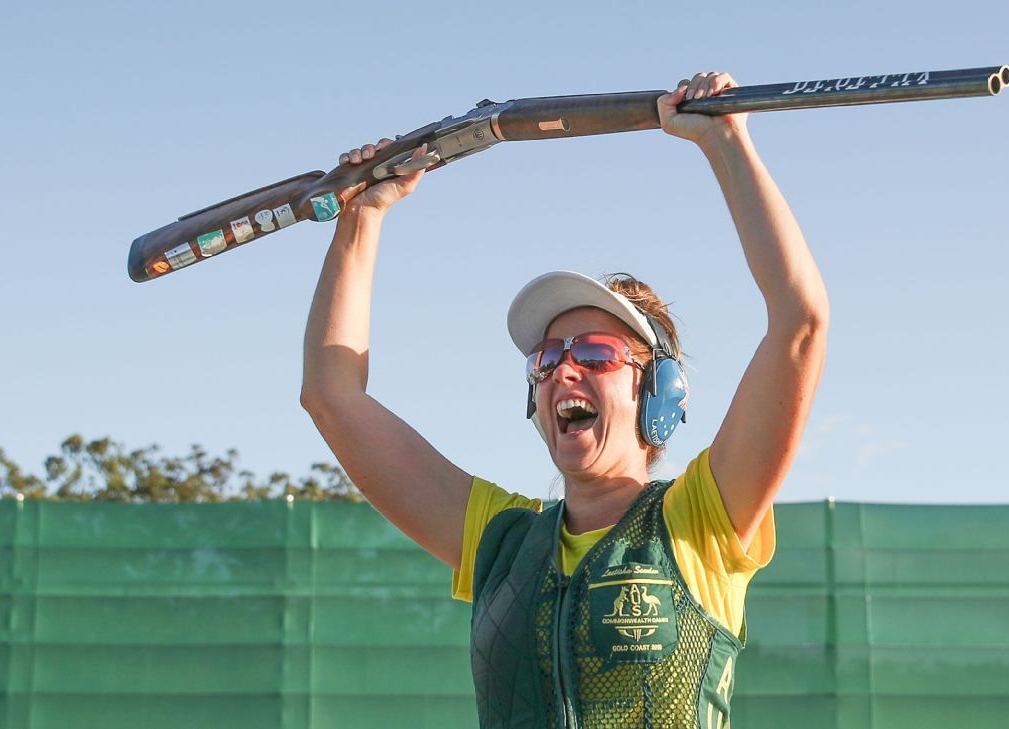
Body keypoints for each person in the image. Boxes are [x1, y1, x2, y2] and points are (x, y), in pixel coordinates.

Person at [300, 71, 829, 728]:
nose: (562, 371)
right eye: (547, 358)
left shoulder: (705, 520)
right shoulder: (499, 541)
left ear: (657, 392)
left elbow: (800, 320)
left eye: (595, 354)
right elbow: (331, 395)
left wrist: (727, 145)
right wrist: (362, 219)